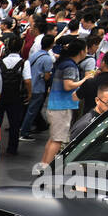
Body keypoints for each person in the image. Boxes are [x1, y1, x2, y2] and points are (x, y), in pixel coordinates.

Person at [40, 37, 89, 169]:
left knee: (53, 139)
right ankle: (46, 169)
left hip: (56, 105)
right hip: (61, 107)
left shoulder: (64, 62)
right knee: (57, 140)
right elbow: (68, 86)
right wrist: (85, 79)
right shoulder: (70, 65)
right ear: (81, 52)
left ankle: (43, 165)